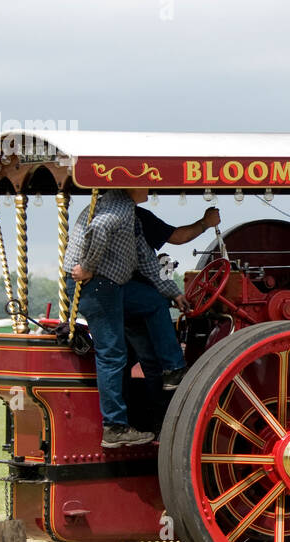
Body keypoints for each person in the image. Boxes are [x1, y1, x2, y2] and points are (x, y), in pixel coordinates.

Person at [64, 187, 192, 449]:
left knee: (154, 302)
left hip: (113, 285)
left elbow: (145, 260)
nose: (150, 188)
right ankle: (115, 427)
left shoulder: (129, 212)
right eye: (144, 182)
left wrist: (174, 294)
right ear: (130, 185)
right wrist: (88, 267)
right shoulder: (118, 206)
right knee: (112, 353)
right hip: (97, 286)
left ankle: (174, 369)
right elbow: (98, 229)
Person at [125, 203, 221, 426]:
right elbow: (177, 237)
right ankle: (173, 372)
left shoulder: (107, 212)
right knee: (152, 360)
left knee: (121, 361)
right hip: (134, 301)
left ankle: (139, 419)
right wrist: (205, 223)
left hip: (114, 299)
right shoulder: (133, 216)